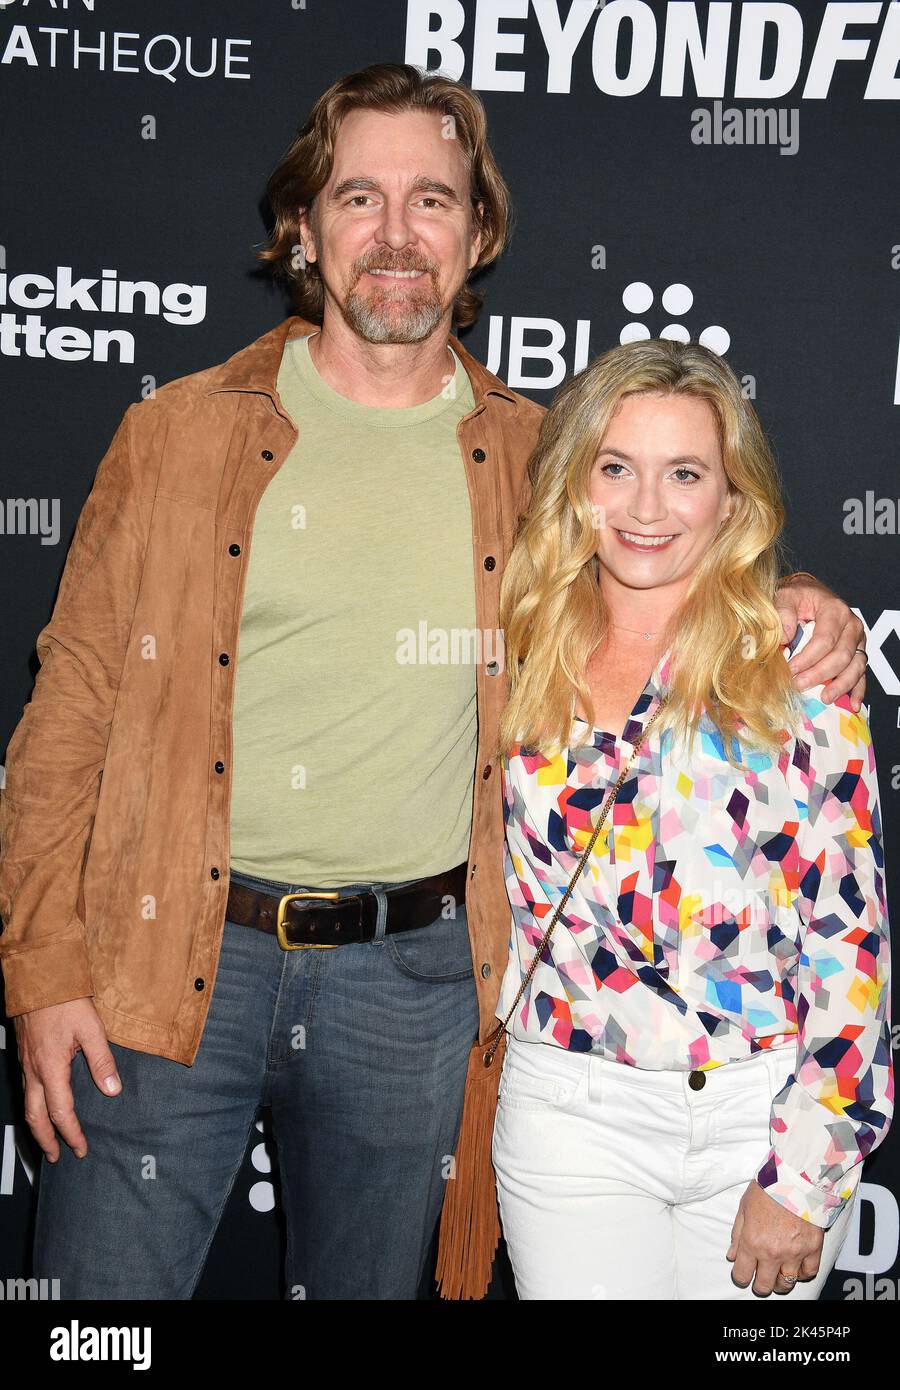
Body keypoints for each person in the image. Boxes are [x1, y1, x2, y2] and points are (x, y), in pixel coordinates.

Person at [0, 64, 868, 1302]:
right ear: (305, 230)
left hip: (414, 987)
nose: (398, 236)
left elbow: (673, 550)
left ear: (479, 234)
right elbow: (69, 709)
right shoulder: (177, 435)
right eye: (361, 198)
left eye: (434, 201)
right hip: (163, 958)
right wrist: (43, 968)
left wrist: (800, 604)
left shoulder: (537, 458)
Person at [490, 337, 891, 1300]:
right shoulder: (511, 636)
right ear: (576, 480)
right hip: (568, 1111)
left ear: (732, 496)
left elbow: (852, 939)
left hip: (762, 1112)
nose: (647, 508)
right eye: (616, 467)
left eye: (685, 474)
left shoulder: (794, 660)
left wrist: (807, 1174)